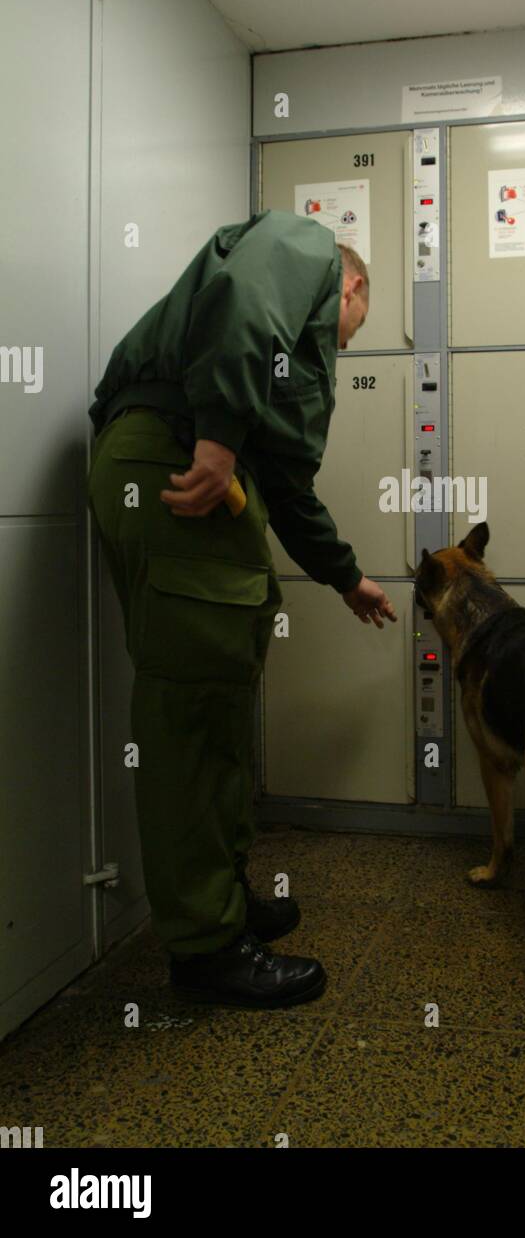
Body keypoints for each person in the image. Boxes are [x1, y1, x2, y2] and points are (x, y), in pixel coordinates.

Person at [86, 208, 397, 1008]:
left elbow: (289, 483)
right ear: (352, 285)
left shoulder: (275, 367)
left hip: (199, 463)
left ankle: (224, 900)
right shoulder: (307, 251)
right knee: (191, 713)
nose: (342, 346)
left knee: (218, 697)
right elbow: (245, 298)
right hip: (178, 456)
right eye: (351, 331)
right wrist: (218, 435)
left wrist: (345, 576)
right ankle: (205, 948)